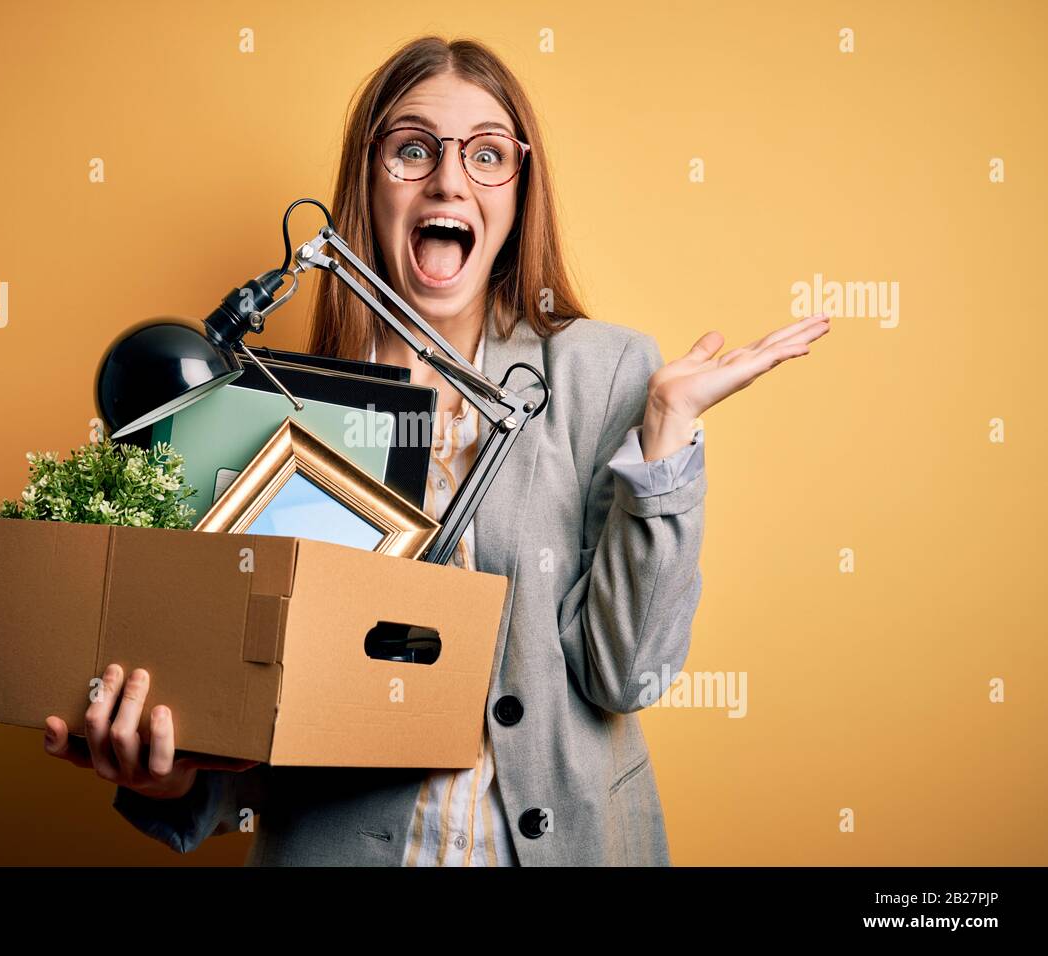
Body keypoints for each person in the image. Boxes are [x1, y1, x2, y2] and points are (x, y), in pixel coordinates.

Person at [43, 35, 831, 865]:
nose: (449, 179)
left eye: (487, 155)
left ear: (520, 192)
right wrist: (165, 774)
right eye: (413, 149)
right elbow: (245, 711)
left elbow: (624, 675)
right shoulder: (267, 411)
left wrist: (665, 441)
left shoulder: (605, 374)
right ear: (367, 182)